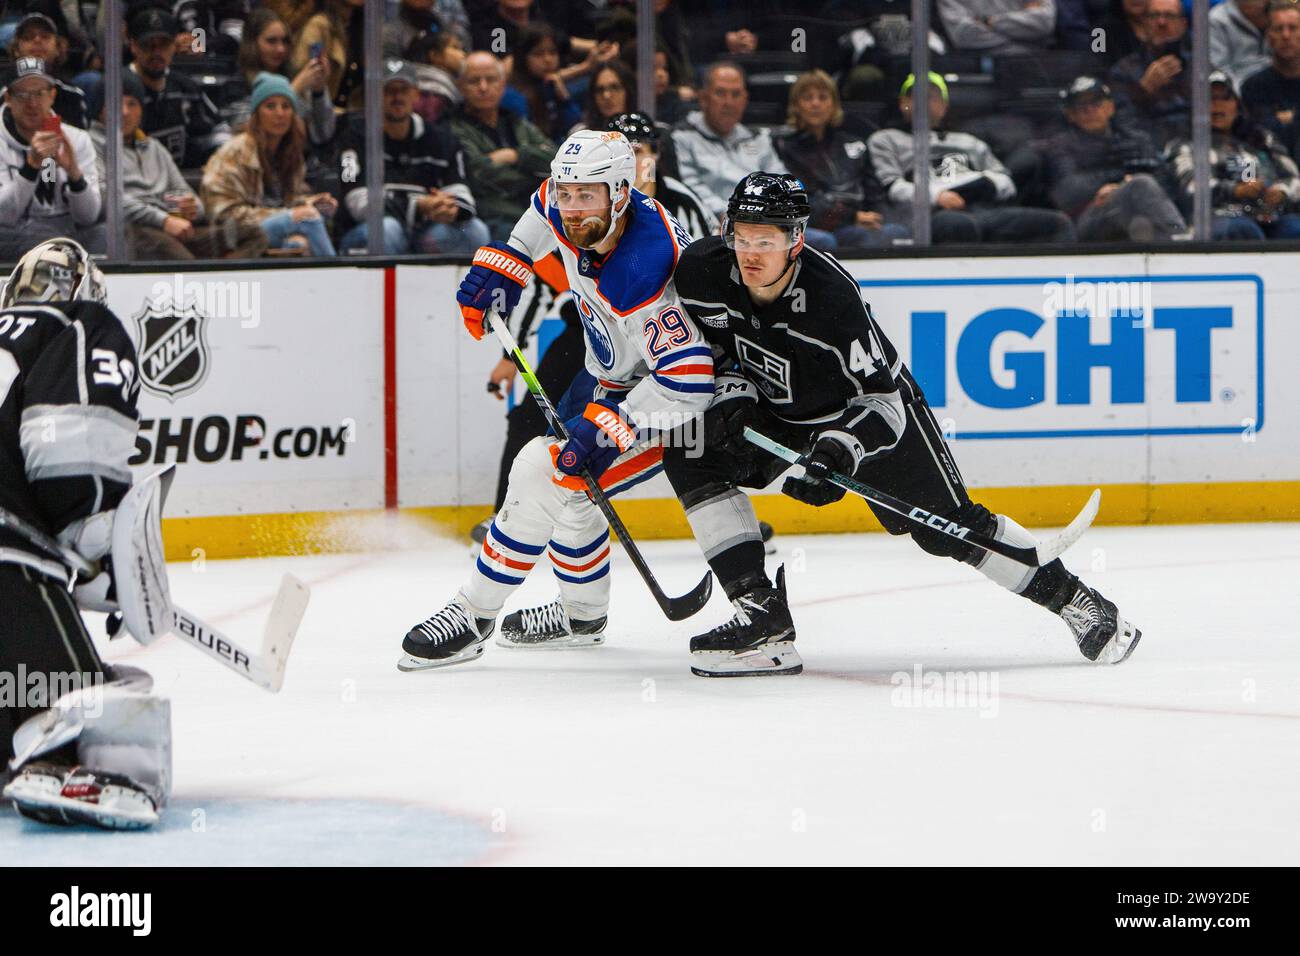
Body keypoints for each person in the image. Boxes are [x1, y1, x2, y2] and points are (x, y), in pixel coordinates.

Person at [663, 173, 1142, 677]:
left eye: (766, 240)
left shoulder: (831, 297)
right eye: (741, 236)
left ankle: (1077, 602)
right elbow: (699, 346)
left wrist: (837, 452)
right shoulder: (702, 271)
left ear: (796, 238)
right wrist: (730, 390)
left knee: (951, 531)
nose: (750, 252)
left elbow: (882, 402)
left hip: (866, 421)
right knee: (692, 450)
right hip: (779, 416)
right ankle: (763, 618)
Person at [397, 129, 713, 669]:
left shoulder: (644, 266)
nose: (570, 207)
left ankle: (473, 613)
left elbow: (689, 378)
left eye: (585, 195)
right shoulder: (568, 203)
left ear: (620, 193)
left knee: (539, 472)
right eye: (566, 192)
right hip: (609, 375)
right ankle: (582, 615)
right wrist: (508, 266)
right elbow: (535, 222)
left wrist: (612, 426)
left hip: (674, 401)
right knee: (572, 485)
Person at [0, 238, 172, 829]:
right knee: (99, 707)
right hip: (5, 563)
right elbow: (70, 448)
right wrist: (98, 549)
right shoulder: (78, 323)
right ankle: (87, 766)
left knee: (17, 719)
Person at [870, 73, 1076, 244]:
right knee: (959, 225)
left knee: (1057, 224)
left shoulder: (969, 142)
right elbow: (892, 187)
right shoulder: (886, 139)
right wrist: (937, 196)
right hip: (930, 215)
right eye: (916, 96)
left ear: (944, 105)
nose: (924, 101)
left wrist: (984, 184)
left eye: (932, 96)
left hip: (982, 208)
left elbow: (1006, 183)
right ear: (903, 103)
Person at [89, 69, 267, 260]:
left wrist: (190, 207)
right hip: (134, 229)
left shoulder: (153, 147)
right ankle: (208, 281)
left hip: (175, 226)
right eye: (116, 103)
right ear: (100, 109)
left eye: (132, 104)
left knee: (252, 235)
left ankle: (220, 283)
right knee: (181, 260)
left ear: (141, 109)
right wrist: (163, 220)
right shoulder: (91, 143)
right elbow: (106, 198)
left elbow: (186, 192)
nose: (124, 112)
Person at [335, 60, 488, 254]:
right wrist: (419, 206)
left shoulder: (443, 140)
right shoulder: (354, 138)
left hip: (424, 233)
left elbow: (463, 195)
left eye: (403, 90)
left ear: (416, 94)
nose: (397, 97)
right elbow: (358, 203)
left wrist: (450, 208)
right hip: (362, 233)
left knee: (475, 232)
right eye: (389, 90)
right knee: (388, 230)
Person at [201, 73, 338, 257]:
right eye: (270, 106)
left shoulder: (290, 152)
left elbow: (287, 201)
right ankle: (338, 275)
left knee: (298, 244)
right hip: (235, 234)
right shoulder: (235, 151)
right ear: (257, 113)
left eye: (286, 106)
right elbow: (224, 214)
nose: (280, 113)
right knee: (308, 219)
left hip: (271, 227)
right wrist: (290, 216)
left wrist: (310, 203)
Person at [775, 69, 910, 252]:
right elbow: (804, 200)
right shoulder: (785, 147)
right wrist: (852, 217)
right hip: (818, 224)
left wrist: (876, 217)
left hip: (860, 221)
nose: (816, 103)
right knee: (839, 239)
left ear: (833, 104)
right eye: (808, 98)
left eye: (823, 97)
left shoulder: (855, 144)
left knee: (897, 231)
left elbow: (874, 191)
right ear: (796, 105)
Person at [1043, 76, 1187, 241]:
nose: (1090, 110)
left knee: (1142, 216)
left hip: (1132, 212)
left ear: (1110, 107)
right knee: (1140, 184)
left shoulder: (1136, 139)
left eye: (1096, 103)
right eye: (1080, 106)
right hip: (1086, 218)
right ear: (1070, 114)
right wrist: (1117, 184)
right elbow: (1066, 192)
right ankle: (1181, 240)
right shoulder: (1059, 145)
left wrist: (1122, 187)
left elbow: (1166, 182)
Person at [1170, 70, 1300, 238]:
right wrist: (1235, 191)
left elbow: (1295, 179)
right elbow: (1190, 188)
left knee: (1295, 229)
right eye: (1209, 99)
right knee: (1245, 230)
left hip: (1269, 216)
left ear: (1237, 106)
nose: (1217, 105)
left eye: (1224, 98)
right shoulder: (1184, 145)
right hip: (1217, 219)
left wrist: (1281, 192)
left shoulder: (1262, 139)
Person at [0, 57, 102, 260]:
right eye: (22, 94)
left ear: (52, 96)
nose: (32, 103)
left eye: (40, 93)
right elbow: (5, 217)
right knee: (46, 243)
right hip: (15, 235)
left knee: (109, 235)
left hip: (68, 234)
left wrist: (74, 172)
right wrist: (31, 167)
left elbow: (89, 216)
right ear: (8, 98)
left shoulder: (76, 140)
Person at [451, 51, 556, 240]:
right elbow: (477, 173)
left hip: (535, 214)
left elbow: (556, 161)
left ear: (502, 84)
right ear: (460, 87)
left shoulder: (517, 122)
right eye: (474, 81)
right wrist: (532, 176)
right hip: (495, 218)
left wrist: (515, 155)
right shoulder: (454, 128)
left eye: (490, 79)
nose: (483, 87)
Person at [671, 62, 788, 223]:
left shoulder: (758, 137)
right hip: (711, 224)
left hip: (763, 222)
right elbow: (689, 187)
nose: (729, 102)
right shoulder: (682, 137)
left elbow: (780, 181)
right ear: (703, 98)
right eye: (720, 93)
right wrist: (729, 214)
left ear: (745, 99)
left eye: (736, 94)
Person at [128, 5, 231, 169]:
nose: (156, 52)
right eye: (148, 45)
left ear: (174, 45)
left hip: (182, 184)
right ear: (133, 46)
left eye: (164, 44)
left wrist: (218, 159)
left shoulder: (185, 88)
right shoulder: (120, 90)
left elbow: (219, 132)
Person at [227, 7, 335, 145]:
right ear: (252, 43)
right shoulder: (237, 82)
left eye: (285, 41)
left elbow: (323, 134)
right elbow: (244, 134)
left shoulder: (293, 75)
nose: (281, 49)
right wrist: (292, 90)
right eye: (271, 41)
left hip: (297, 160)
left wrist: (318, 92)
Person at [1108, 0, 1194, 149]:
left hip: (1197, 150)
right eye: (1154, 15)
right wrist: (1142, 91)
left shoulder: (1199, 67)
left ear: (1183, 25)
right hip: (1149, 153)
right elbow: (1119, 124)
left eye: (1170, 16)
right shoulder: (1122, 71)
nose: (1161, 22)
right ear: (1144, 23)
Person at [9, 8, 87, 128]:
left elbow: (78, 143)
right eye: (28, 37)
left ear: (58, 48)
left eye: (45, 36)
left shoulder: (72, 96)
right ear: (16, 50)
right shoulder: (3, 92)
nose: (37, 40)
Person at [1241, 1, 1300, 160]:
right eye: (1278, 29)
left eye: (1293, 28)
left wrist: (1286, 120)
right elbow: (1250, 145)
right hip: (1272, 173)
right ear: (1268, 36)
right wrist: (1250, 180)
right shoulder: (1252, 87)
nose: (1286, 35)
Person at [937, 0, 1059, 56]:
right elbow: (963, 34)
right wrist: (1023, 38)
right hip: (976, 63)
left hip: (1031, 64)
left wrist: (988, 22)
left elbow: (1044, 22)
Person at [1210, 0, 1272, 86]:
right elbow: (1219, 70)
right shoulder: (1217, 19)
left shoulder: (1281, 16)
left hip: (1279, 87)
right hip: (1238, 90)